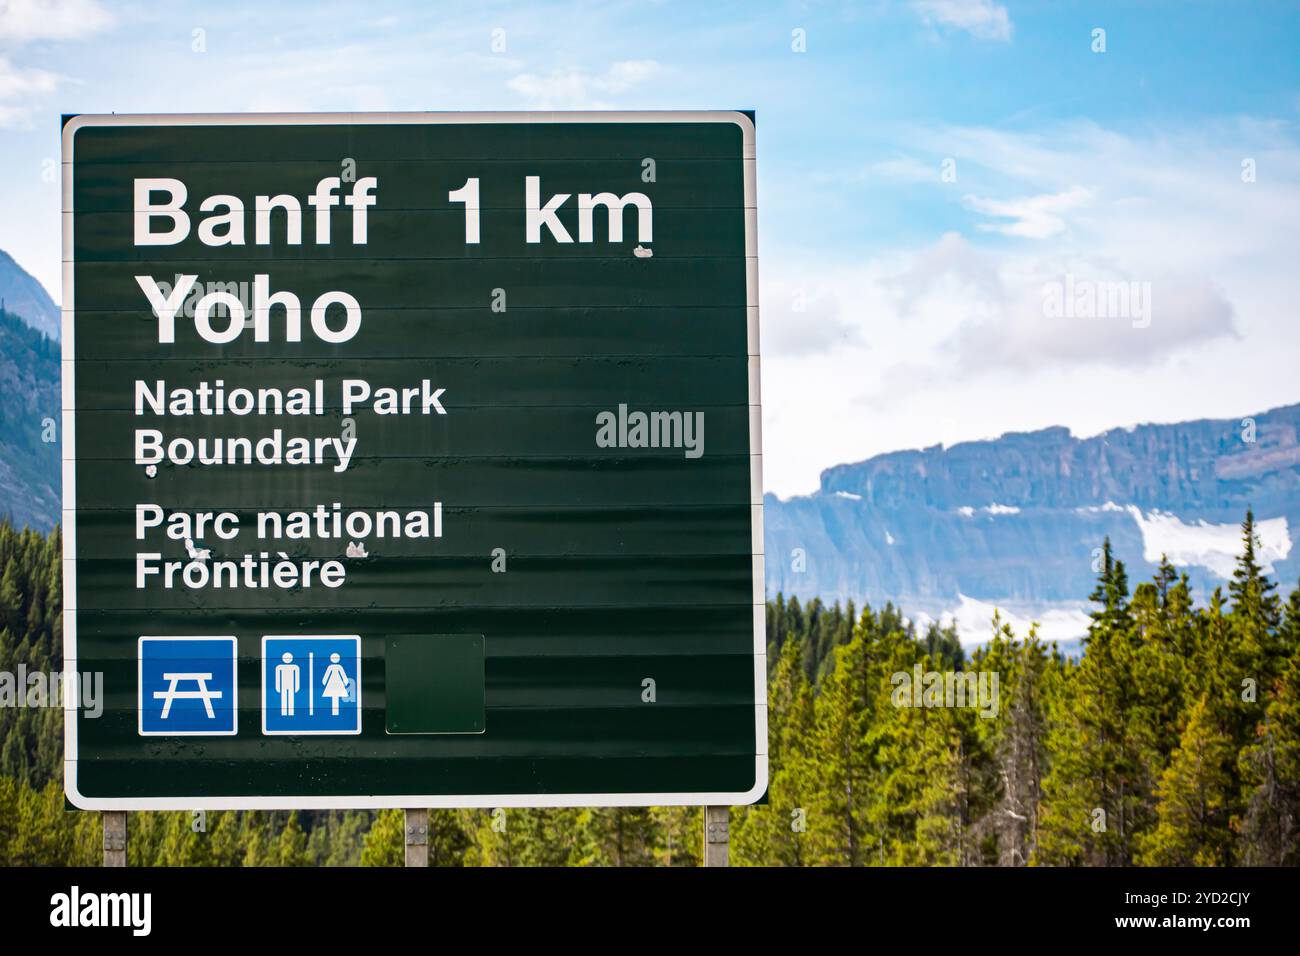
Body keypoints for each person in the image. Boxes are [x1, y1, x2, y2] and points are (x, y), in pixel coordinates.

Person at [321, 652, 351, 717]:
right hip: (333, 683)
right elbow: (327, 675)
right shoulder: (331, 667)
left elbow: (343, 675)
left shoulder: (338, 667)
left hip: (337, 683)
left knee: (336, 697)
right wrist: (345, 682)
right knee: (334, 697)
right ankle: (334, 712)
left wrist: (324, 681)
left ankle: (335, 713)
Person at [274, 652, 299, 717]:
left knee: (291, 698)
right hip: (283, 686)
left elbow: (296, 678)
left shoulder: (295, 667)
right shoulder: (279, 667)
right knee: (283, 698)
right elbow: (277, 677)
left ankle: (291, 712)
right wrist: (277, 687)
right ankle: (284, 712)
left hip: (291, 686)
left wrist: (297, 687)